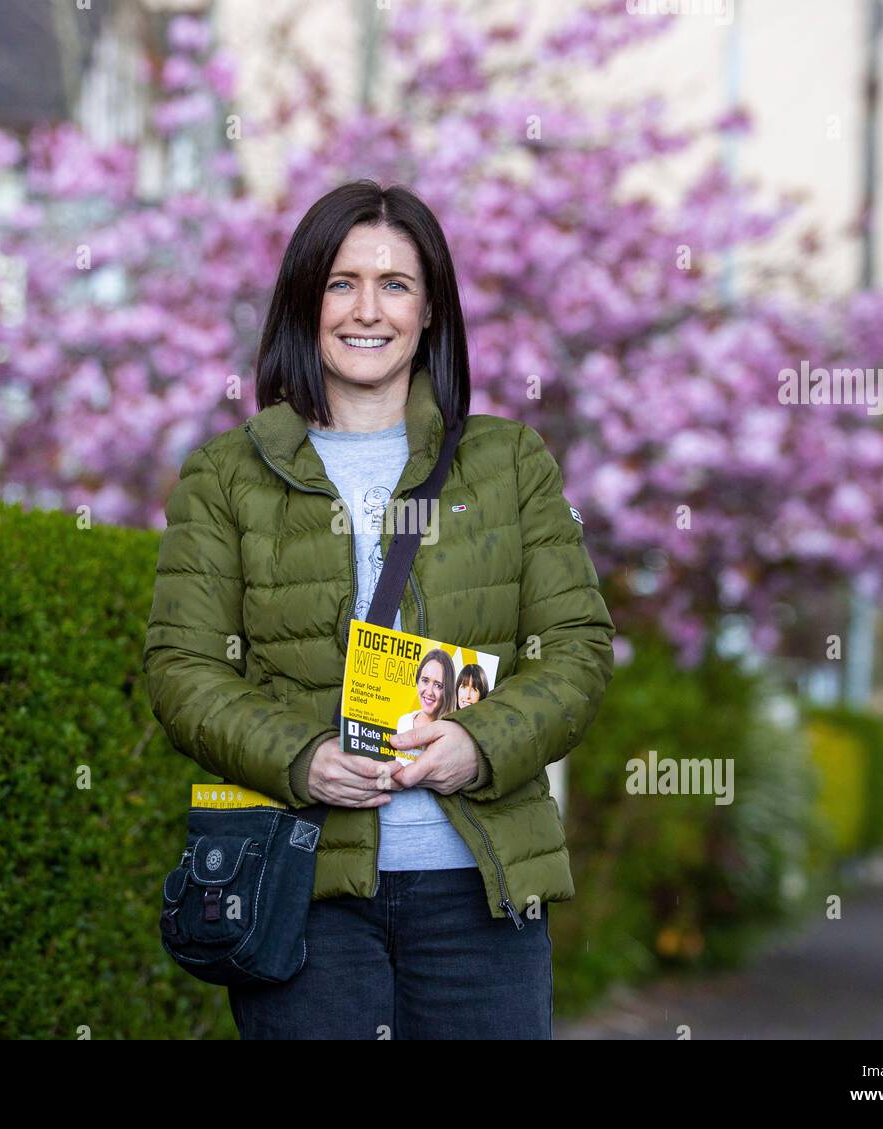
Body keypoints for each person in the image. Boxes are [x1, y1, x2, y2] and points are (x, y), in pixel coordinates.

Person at [143, 178, 617, 1039]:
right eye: (341, 282)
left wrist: (478, 743)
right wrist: (302, 756)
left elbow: (578, 649)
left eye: (395, 284)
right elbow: (182, 668)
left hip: (482, 888)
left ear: (431, 310)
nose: (368, 309)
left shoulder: (510, 463)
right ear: (305, 299)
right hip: (306, 891)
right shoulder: (225, 475)